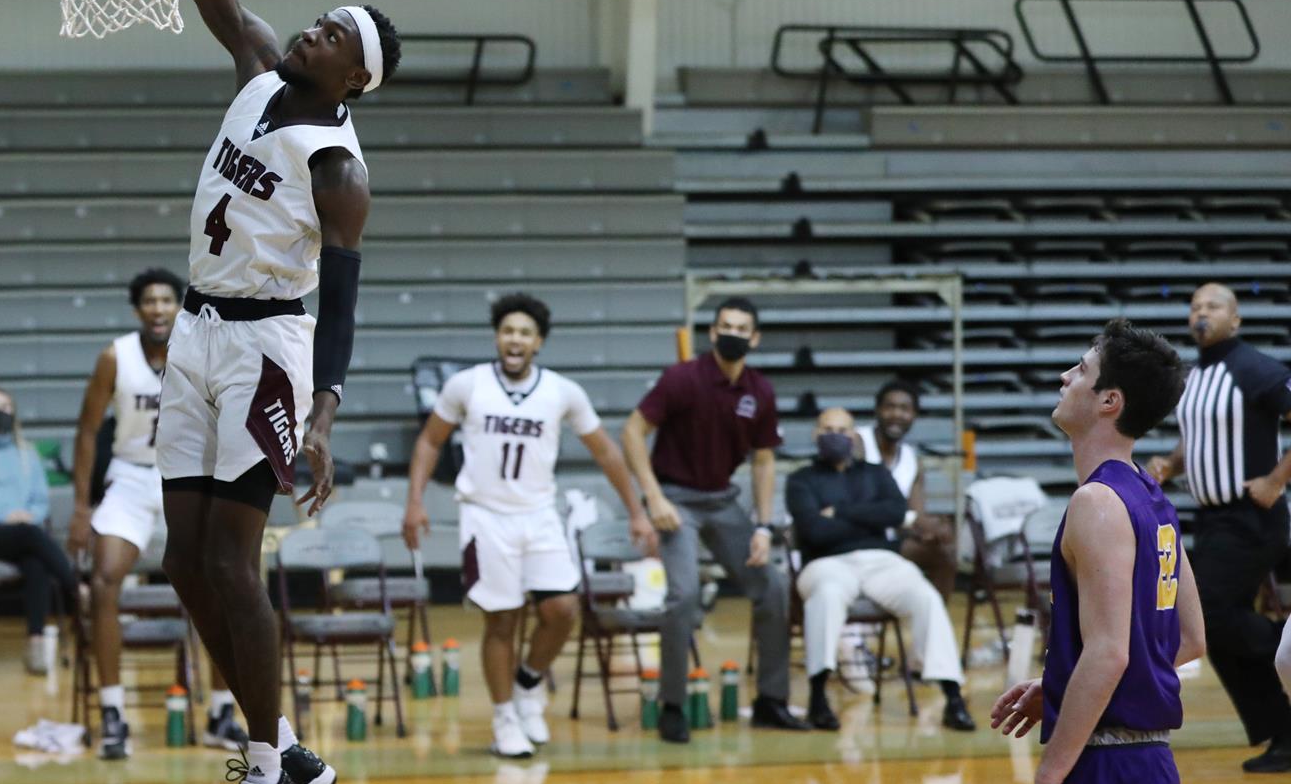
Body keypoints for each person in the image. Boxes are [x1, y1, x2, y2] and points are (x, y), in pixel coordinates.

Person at [151, 0, 398, 784]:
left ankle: (266, 775)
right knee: (182, 562)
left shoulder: (339, 170)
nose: (312, 30)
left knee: (228, 561)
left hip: (267, 353)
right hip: (195, 332)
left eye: (332, 34)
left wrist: (323, 416)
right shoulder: (259, 68)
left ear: (355, 77)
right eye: (320, 19)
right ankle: (287, 745)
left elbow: (342, 301)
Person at [399, 293, 651, 758]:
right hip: (485, 517)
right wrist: (414, 502)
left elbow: (606, 452)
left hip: (539, 514)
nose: (515, 339)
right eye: (508, 331)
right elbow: (430, 442)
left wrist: (637, 511)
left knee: (563, 610)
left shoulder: (563, 391)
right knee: (502, 620)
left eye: (525, 333)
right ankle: (504, 720)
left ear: (539, 343)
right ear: (498, 337)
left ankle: (528, 683)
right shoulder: (466, 385)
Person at [991, 320, 1203, 784]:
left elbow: (1109, 653)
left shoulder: (1098, 502)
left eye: (1082, 370)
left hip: (1108, 771)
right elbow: (1190, 637)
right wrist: (1069, 685)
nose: (1065, 377)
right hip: (1142, 768)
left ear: (1110, 400)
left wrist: (1049, 775)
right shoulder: (1150, 495)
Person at [68, 268, 247, 758]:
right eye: (149, 301)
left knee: (221, 580)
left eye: (167, 300)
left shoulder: (202, 349)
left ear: (179, 307)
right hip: (130, 475)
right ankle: (112, 712)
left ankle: (221, 712)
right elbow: (87, 430)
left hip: (187, 474)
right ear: (137, 310)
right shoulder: (115, 357)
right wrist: (81, 508)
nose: (158, 308)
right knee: (105, 580)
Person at [619, 296, 809, 742]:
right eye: (726, 326)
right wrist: (653, 497)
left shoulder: (760, 391)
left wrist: (763, 526)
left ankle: (771, 701)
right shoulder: (682, 378)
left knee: (773, 587)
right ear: (712, 332)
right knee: (684, 596)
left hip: (724, 501)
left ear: (755, 338)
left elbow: (764, 461)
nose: (733, 334)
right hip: (676, 500)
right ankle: (673, 704)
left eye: (742, 328)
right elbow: (631, 432)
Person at [1145, 282, 1291, 772]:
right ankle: (1283, 735)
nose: (1200, 313)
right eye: (1194, 307)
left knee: (1207, 615)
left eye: (1212, 306)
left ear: (1236, 319)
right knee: (1214, 634)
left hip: (1251, 518)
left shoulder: (1255, 369)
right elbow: (1199, 435)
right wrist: (1171, 464)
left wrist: (1275, 479)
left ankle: (1284, 641)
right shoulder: (1195, 376)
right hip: (1211, 519)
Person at [788, 407, 975, 732]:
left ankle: (952, 696)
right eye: (827, 429)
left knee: (925, 597)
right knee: (827, 596)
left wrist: (839, 512)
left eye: (842, 430)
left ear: (853, 436)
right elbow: (814, 531)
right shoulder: (801, 479)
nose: (835, 436)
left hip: (881, 561)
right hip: (825, 563)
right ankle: (818, 697)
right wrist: (868, 518)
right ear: (816, 435)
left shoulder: (875, 473)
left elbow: (896, 512)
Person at [0, 386, 81, 675]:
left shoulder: (28, 454)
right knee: (31, 536)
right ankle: (75, 587)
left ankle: (36, 643)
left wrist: (28, 516)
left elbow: (41, 501)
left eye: (5, 405)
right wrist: (5, 516)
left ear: (14, 413)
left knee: (35, 560)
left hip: (24, 535)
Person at [860, 379, 959, 596]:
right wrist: (909, 521)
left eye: (905, 409)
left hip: (890, 542)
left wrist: (933, 530)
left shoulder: (911, 459)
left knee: (945, 554)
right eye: (890, 407)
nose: (897, 414)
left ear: (914, 415)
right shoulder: (858, 443)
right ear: (877, 410)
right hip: (857, 539)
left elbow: (915, 514)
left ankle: (933, 616)